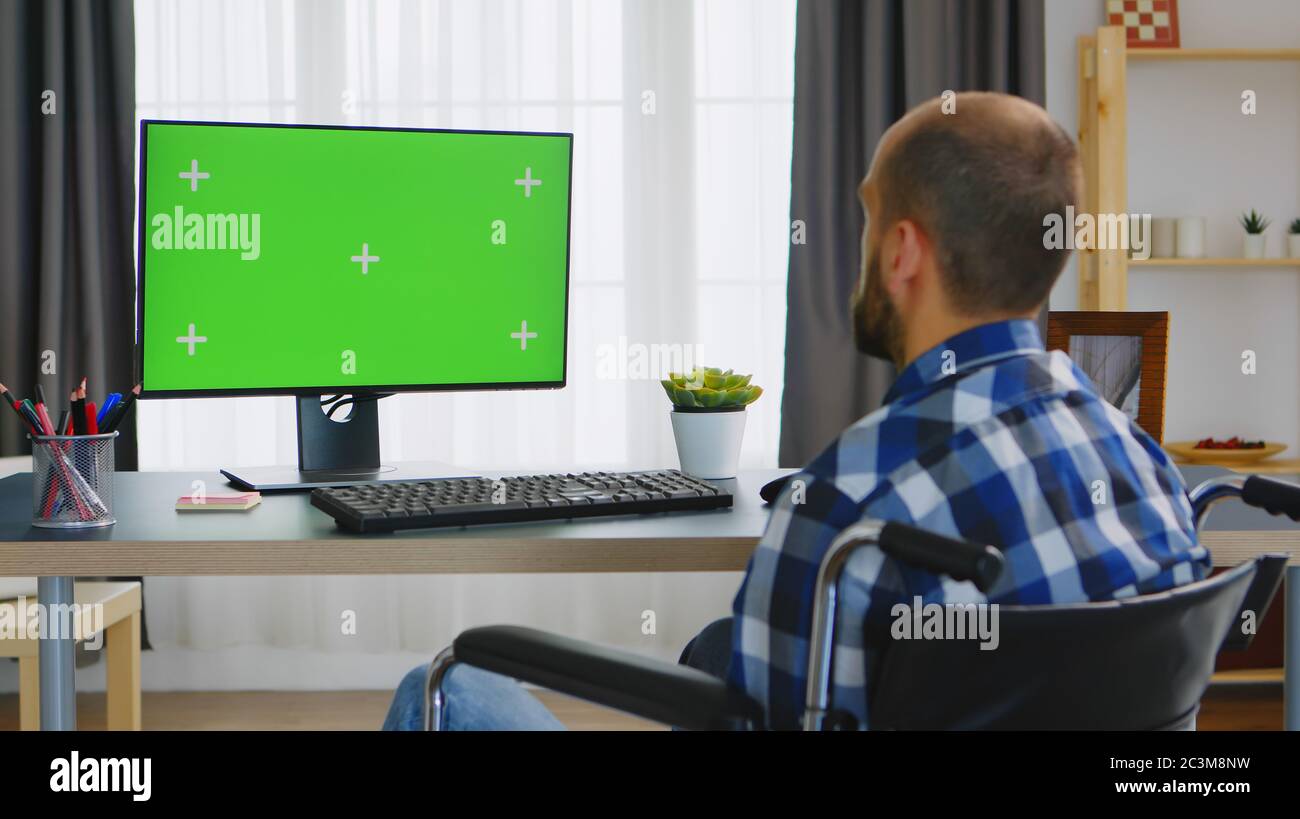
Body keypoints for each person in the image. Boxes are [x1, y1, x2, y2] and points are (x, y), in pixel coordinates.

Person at [384, 91, 1209, 731]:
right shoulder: (1144, 466)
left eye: (867, 216)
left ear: (902, 251)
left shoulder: (853, 504)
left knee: (451, 684)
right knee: (720, 645)